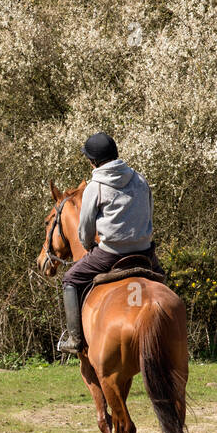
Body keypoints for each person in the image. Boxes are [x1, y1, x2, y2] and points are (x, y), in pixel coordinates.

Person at [59, 132, 162, 354]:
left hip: (110, 254)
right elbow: (149, 213)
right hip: (145, 253)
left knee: (70, 279)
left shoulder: (94, 187)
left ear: (93, 161)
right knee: (162, 282)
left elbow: (85, 228)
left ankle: (75, 339)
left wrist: (88, 246)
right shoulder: (140, 179)